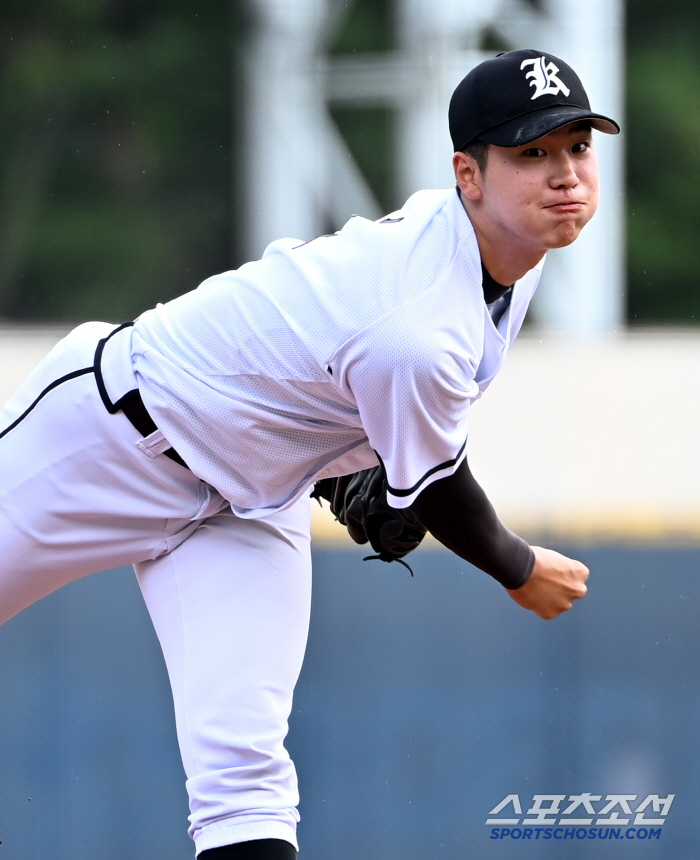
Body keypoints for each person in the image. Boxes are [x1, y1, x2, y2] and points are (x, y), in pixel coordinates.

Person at [0, 49, 618, 858]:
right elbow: (435, 480)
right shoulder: (419, 322)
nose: (564, 173)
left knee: (247, 783)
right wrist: (516, 565)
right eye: (531, 153)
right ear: (469, 175)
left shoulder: (510, 247)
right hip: (108, 438)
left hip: (250, 505)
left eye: (578, 145)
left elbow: (355, 377)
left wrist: (366, 457)